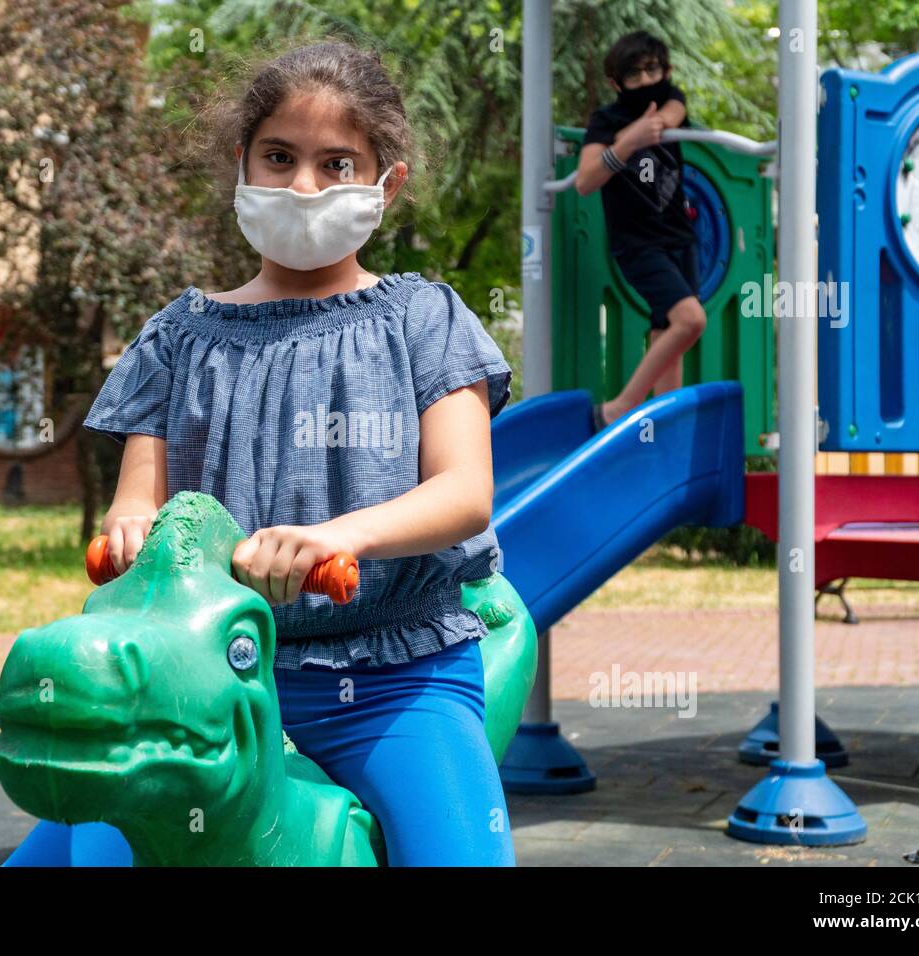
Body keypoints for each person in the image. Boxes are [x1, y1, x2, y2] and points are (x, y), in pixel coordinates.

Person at [83, 40, 516, 866]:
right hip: (206, 684)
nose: (304, 186)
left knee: (462, 855)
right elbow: (137, 502)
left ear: (386, 183)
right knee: (81, 844)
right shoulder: (176, 337)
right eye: (279, 157)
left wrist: (339, 537)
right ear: (240, 162)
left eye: (337, 163)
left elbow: (465, 493)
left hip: (394, 677)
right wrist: (134, 535)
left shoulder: (425, 319)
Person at [574, 30, 707, 431]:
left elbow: (671, 113)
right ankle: (620, 406)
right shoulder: (607, 121)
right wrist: (627, 143)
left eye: (654, 70)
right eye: (635, 75)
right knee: (691, 320)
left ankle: (663, 427)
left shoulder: (672, 100)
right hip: (638, 244)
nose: (647, 81)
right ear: (617, 83)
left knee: (667, 333)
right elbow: (585, 181)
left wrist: (659, 122)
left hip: (679, 238)